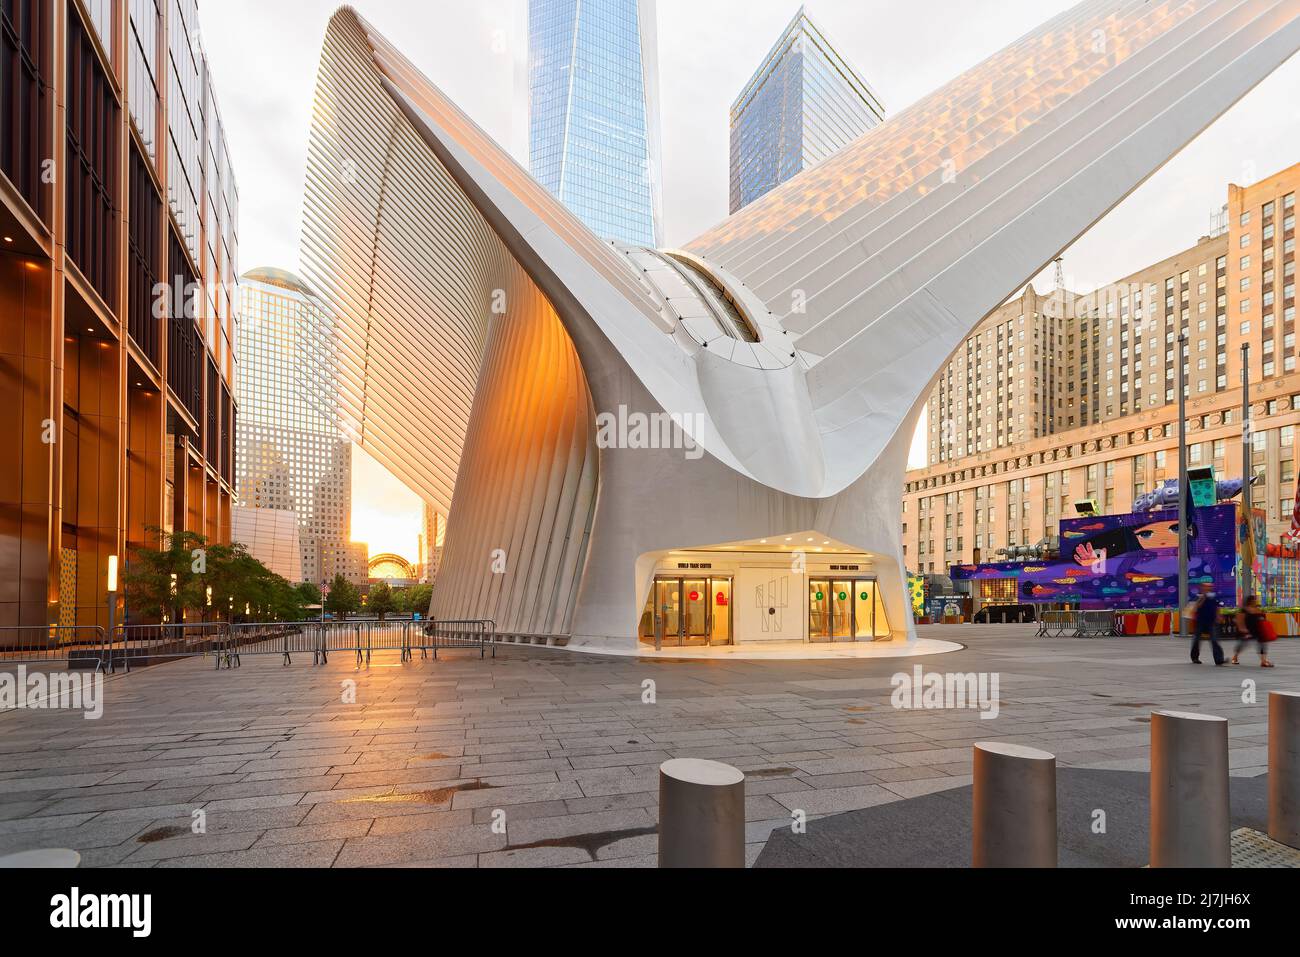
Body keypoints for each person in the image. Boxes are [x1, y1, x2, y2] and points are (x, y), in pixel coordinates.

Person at [1232, 595, 1276, 668]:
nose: (1255, 601)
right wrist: (1242, 629)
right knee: (1242, 645)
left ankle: (1263, 661)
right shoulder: (1244, 610)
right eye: (1253, 600)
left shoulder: (1257, 609)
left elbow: (1262, 618)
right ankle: (1235, 657)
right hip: (1247, 630)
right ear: (1249, 601)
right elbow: (1239, 619)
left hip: (1257, 630)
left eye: (1255, 600)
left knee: (1262, 644)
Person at [1189, 582, 1225, 666]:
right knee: (1196, 640)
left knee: (1215, 640)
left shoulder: (1213, 596)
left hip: (1212, 622)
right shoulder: (1198, 596)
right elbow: (1196, 607)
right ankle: (1195, 657)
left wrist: (1219, 616)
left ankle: (1219, 660)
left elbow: (1217, 607)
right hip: (1200, 621)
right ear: (1202, 587)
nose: (1209, 588)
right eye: (1207, 586)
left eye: (1210, 586)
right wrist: (1203, 596)